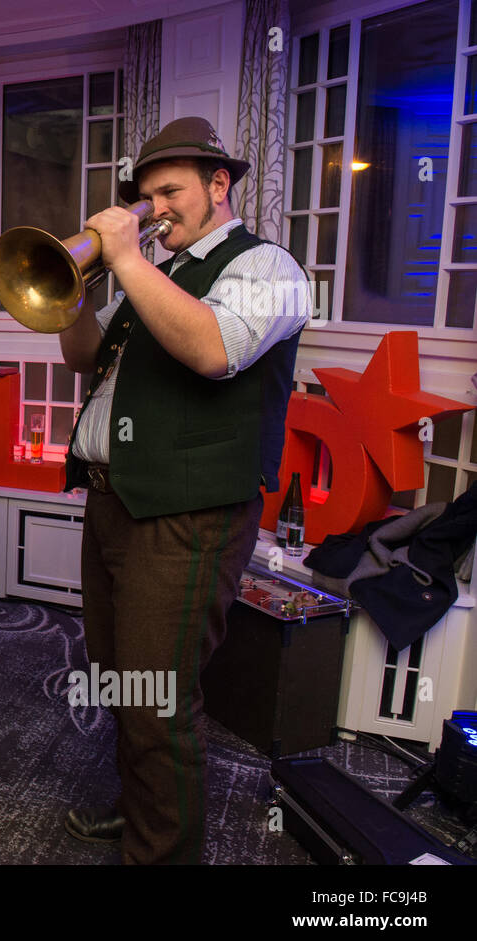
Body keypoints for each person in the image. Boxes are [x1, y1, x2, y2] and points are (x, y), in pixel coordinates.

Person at [58, 118, 310, 863]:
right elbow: (80, 355)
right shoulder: (151, 277)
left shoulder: (266, 265)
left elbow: (213, 349)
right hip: (113, 500)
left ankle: (160, 851)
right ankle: (144, 813)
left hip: (187, 512)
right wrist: (70, 285)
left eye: (170, 192)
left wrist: (127, 255)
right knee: (120, 681)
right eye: (145, 196)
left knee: (158, 700)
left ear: (218, 186)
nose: (155, 207)